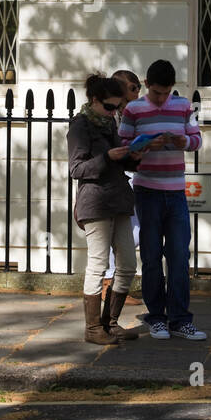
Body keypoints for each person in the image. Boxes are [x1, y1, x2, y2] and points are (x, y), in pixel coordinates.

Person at [118, 59, 205, 341]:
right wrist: (144, 145)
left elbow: (196, 139)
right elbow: (122, 146)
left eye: (166, 93)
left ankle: (180, 319)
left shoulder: (183, 106)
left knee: (179, 256)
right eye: (156, 93)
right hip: (147, 190)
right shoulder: (133, 109)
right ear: (146, 85)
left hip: (176, 190)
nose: (161, 98)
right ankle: (157, 317)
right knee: (152, 256)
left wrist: (184, 143)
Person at [68, 73, 144, 345]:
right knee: (98, 265)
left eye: (116, 107)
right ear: (94, 100)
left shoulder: (109, 123)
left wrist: (133, 157)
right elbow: (76, 169)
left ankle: (110, 323)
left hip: (119, 199)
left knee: (127, 264)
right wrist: (107, 157)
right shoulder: (80, 126)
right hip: (96, 202)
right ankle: (92, 329)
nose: (114, 112)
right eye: (109, 107)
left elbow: (118, 161)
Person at [100, 69, 144, 307]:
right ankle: (109, 283)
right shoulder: (111, 113)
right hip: (116, 176)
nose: (138, 92)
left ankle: (116, 283)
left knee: (133, 228)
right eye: (133, 87)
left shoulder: (134, 111)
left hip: (133, 171)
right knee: (115, 228)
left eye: (139, 87)